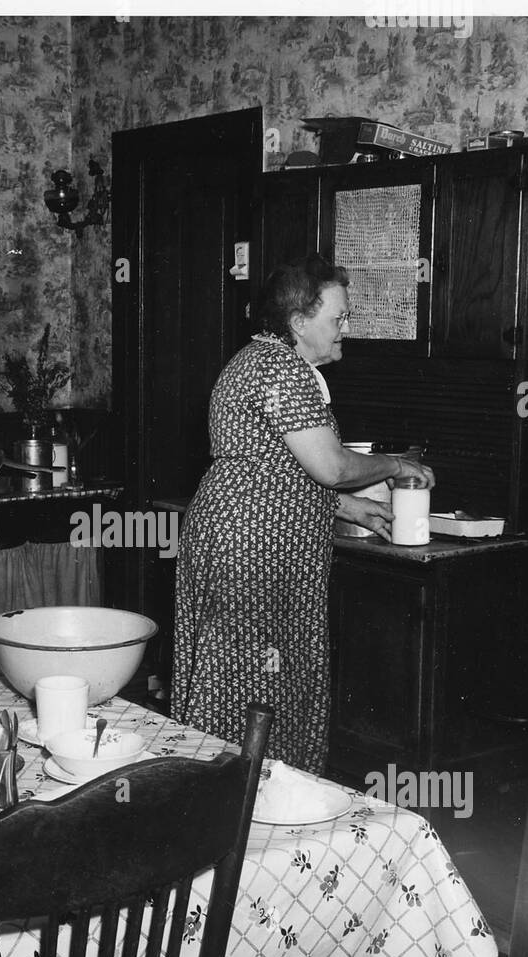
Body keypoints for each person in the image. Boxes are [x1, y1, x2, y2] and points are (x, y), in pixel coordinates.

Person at [170, 256, 435, 775]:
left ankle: (231, 801)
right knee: (253, 677)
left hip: (241, 537)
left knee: (246, 674)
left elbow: (279, 470)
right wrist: (400, 464)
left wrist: (353, 506)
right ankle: (248, 803)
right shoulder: (281, 370)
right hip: (254, 552)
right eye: (337, 318)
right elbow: (331, 466)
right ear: (298, 321)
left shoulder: (263, 361)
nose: (345, 328)